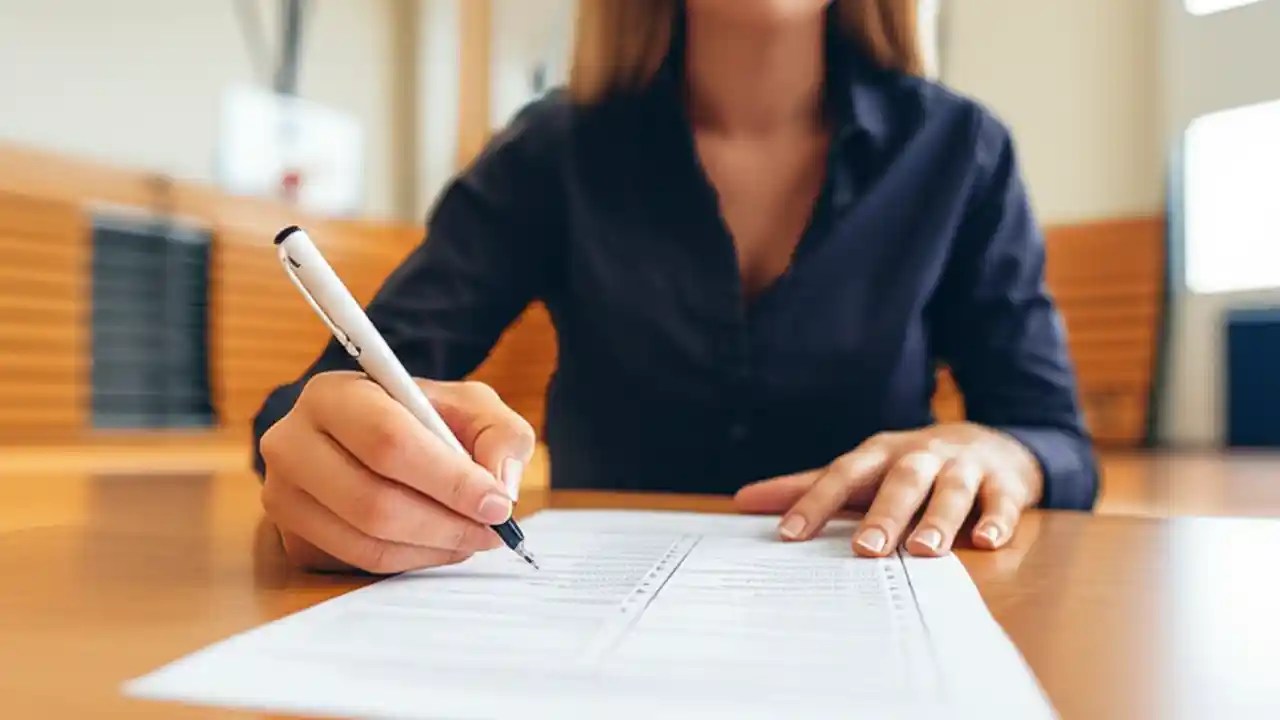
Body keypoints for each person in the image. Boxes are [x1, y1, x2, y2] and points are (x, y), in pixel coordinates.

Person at [254, 0, 1098, 574]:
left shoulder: (961, 151)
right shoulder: (552, 150)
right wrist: (333, 455)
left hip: (878, 594)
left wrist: (1001, 454)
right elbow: (318, 402)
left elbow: (1052, 438)